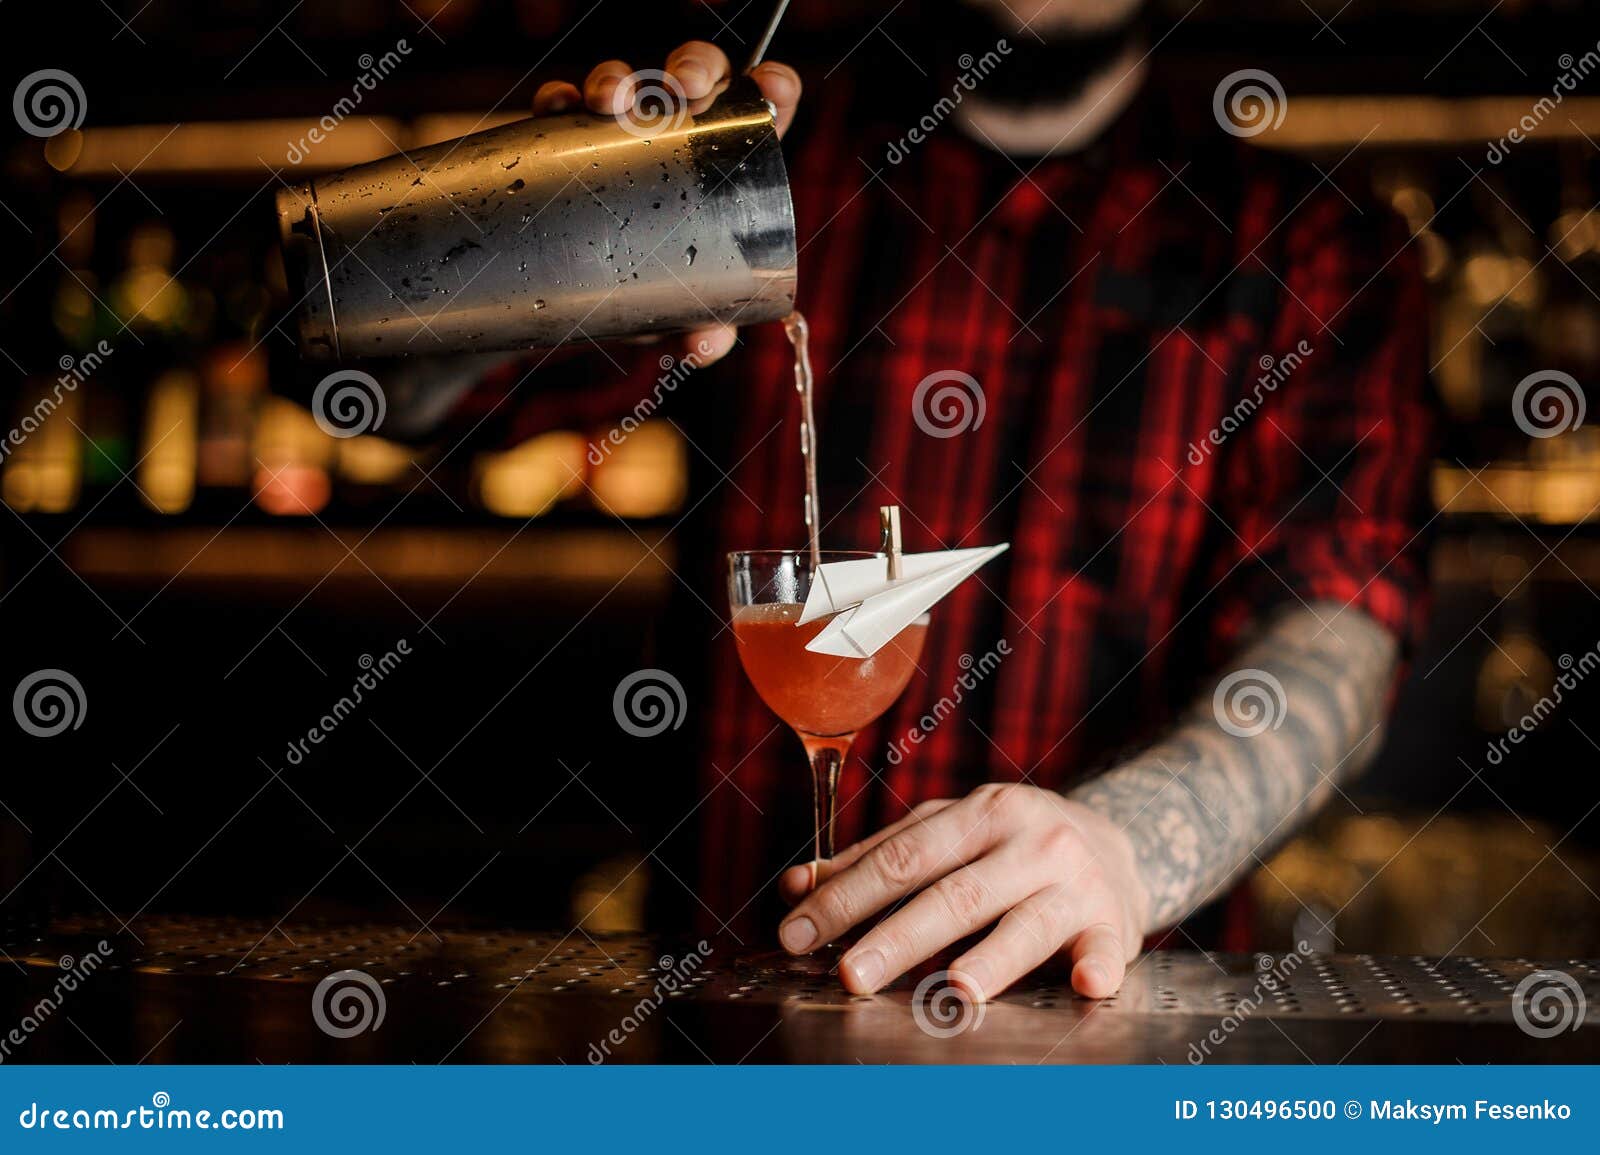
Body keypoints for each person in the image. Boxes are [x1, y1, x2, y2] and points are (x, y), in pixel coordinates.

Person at [377, 0, 1435, 1002]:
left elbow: (1335, 637)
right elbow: (389, 396)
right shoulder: (752, 163)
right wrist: (518, 222)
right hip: (728, 1026)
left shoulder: (1311, 247)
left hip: (1100, 1038)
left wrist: (1120, 844)